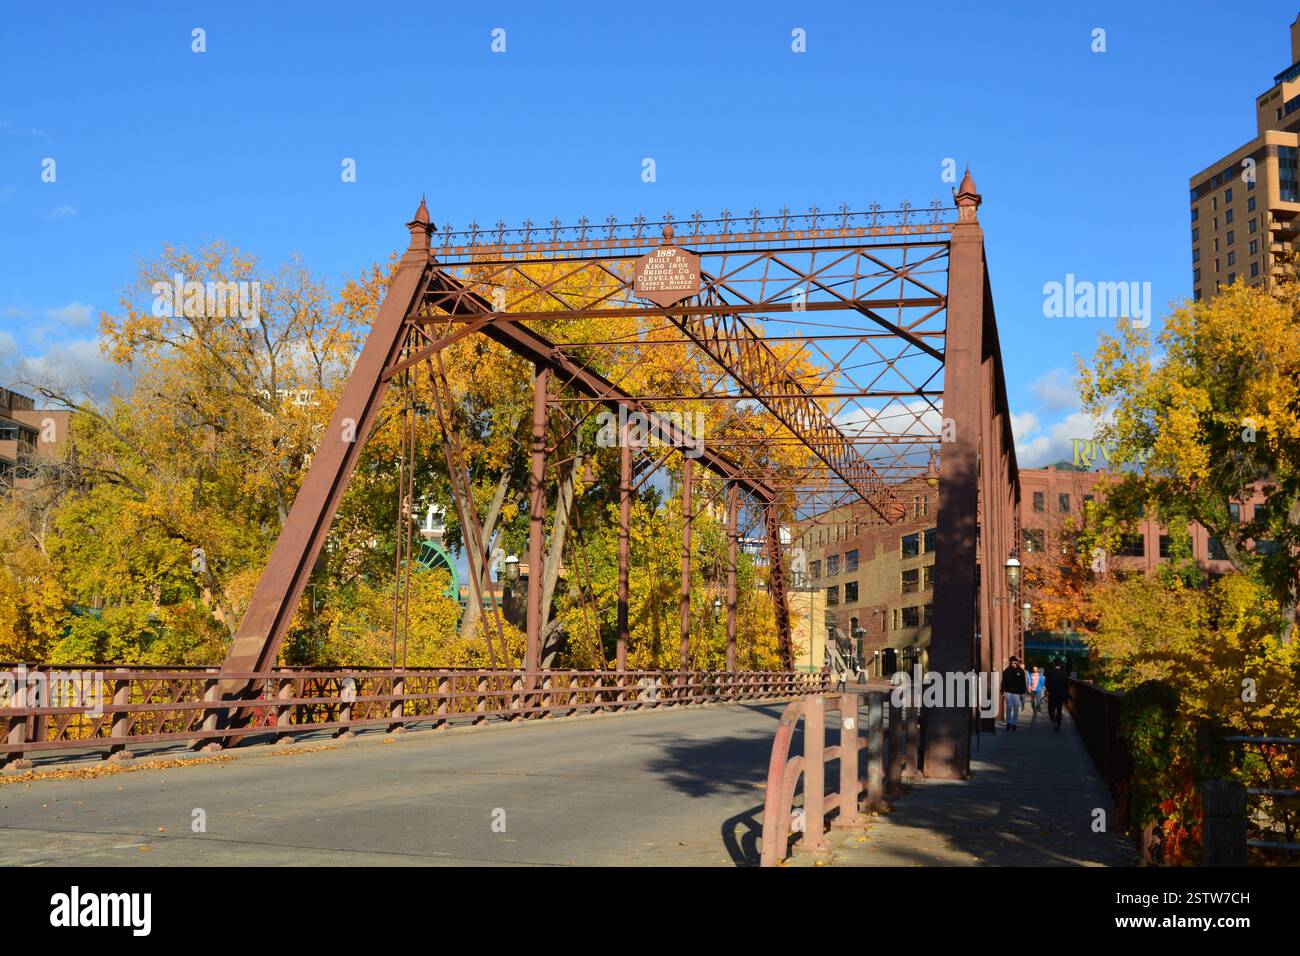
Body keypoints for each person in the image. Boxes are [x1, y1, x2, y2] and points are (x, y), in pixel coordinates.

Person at [1000, 656, 1027, 732]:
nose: (1013, 663)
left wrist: (1023, 691)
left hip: (1017, 692)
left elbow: (1023, 682)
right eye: (1012, 662)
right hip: (1008, 691)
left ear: (1017, 662)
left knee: (1016, 707)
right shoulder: (1006, 671)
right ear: (1010, 662)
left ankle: (1014, 723)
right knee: (1009, 707)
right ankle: (1009, 723)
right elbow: (1003, 682)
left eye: (1015, 662)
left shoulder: (1021, 671)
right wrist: (1002, 691)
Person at [1044, 659, 1070, 732]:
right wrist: (1066, 694)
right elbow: (1067, 684)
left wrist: (1048, 690)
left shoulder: (1050, 672)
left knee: (1051, 709)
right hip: (1061, 694)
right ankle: (1058, 724)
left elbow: (1046, 683)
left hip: (1052, 694)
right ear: (1061, 665)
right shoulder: (1065, 673)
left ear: (1054, 664)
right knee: (1059, 709)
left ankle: (1054, 720)